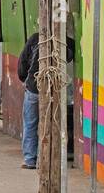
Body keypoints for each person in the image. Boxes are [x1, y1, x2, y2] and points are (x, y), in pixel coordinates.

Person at [16, 31, 76, 169]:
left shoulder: (35, 38)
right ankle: (50, 157)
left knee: (31, 124)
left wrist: (24, 79)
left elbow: (23, 62)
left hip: (34, 86)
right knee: (54, 123)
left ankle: (30, 158)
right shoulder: (64, 41)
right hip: (54, 89)